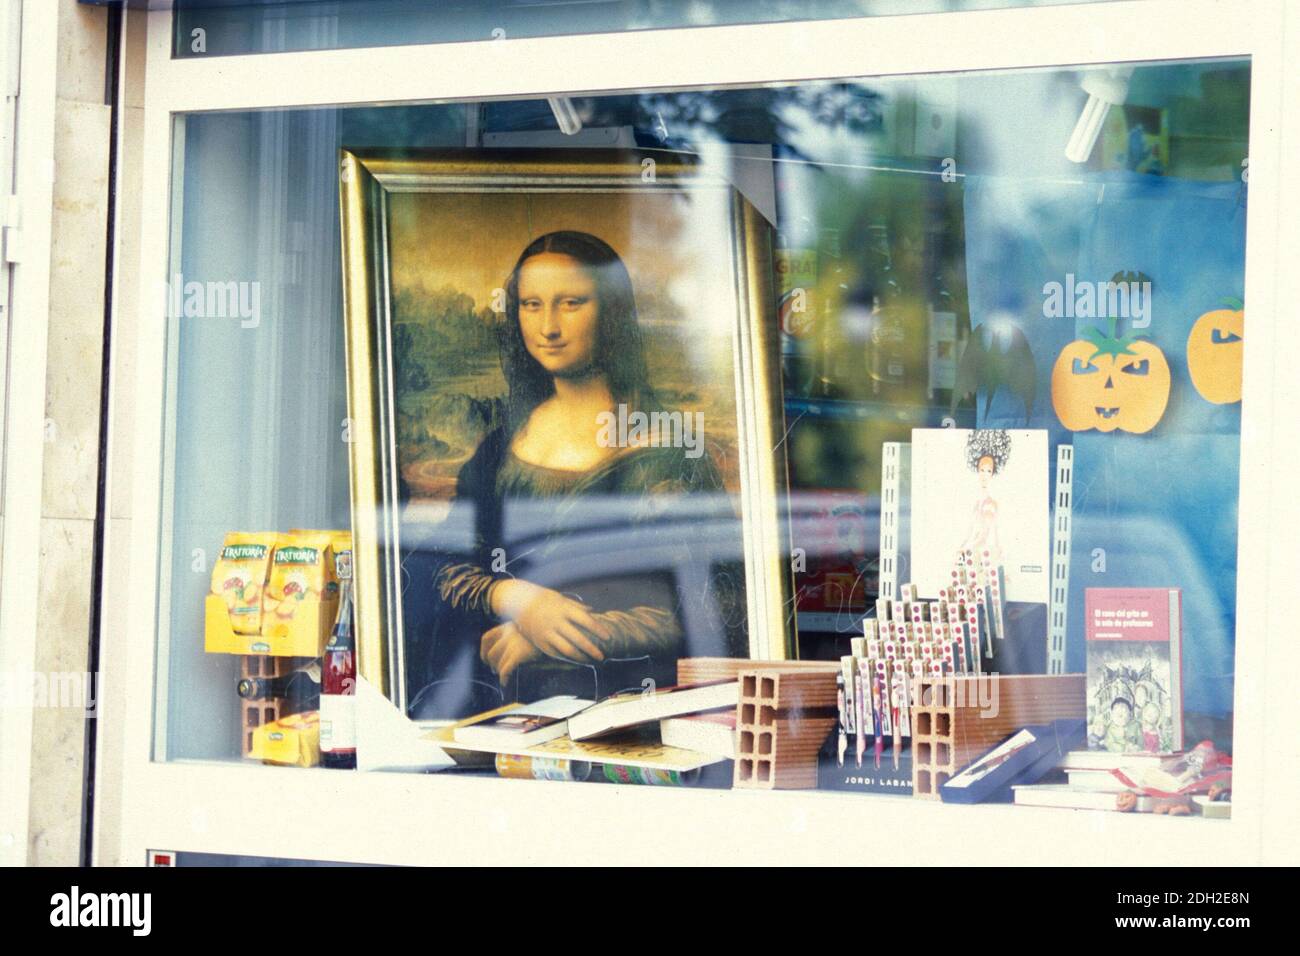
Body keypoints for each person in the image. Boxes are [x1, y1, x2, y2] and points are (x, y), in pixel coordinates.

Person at [403, 231, 747, 718]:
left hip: (633, 713)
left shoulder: (668, 448)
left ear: (609, 311)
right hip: (504, 713)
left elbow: (718, 601)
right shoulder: (502, 448)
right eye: (531, 304)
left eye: (570, 303)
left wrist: (560, 635)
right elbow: (440, 564)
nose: (548, 327)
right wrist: (516, 597)